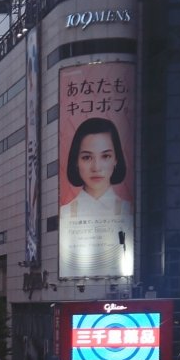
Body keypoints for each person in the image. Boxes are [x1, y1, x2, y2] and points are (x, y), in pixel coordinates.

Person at [59, 116, 135, 275]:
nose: (96, 167)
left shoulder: (129, 211)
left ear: (116, 159)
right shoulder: (65, 213)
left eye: (105, 156)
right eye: (87, 157)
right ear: (76, 162)